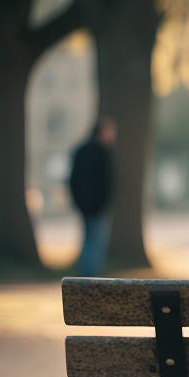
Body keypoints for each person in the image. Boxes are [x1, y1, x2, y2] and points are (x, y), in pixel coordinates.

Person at [69, 117, 117, 277]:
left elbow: (73, 180)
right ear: (101, 132)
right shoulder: (103, 153)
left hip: (84, 206)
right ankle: (91, 275)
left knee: (88, 241)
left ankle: (84, 274)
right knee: (96, 243)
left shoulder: (80, 151)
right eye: (110, 132)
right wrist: (104, 203)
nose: (113, 136)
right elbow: (107, 183)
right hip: (97, 207)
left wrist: (78, 201)